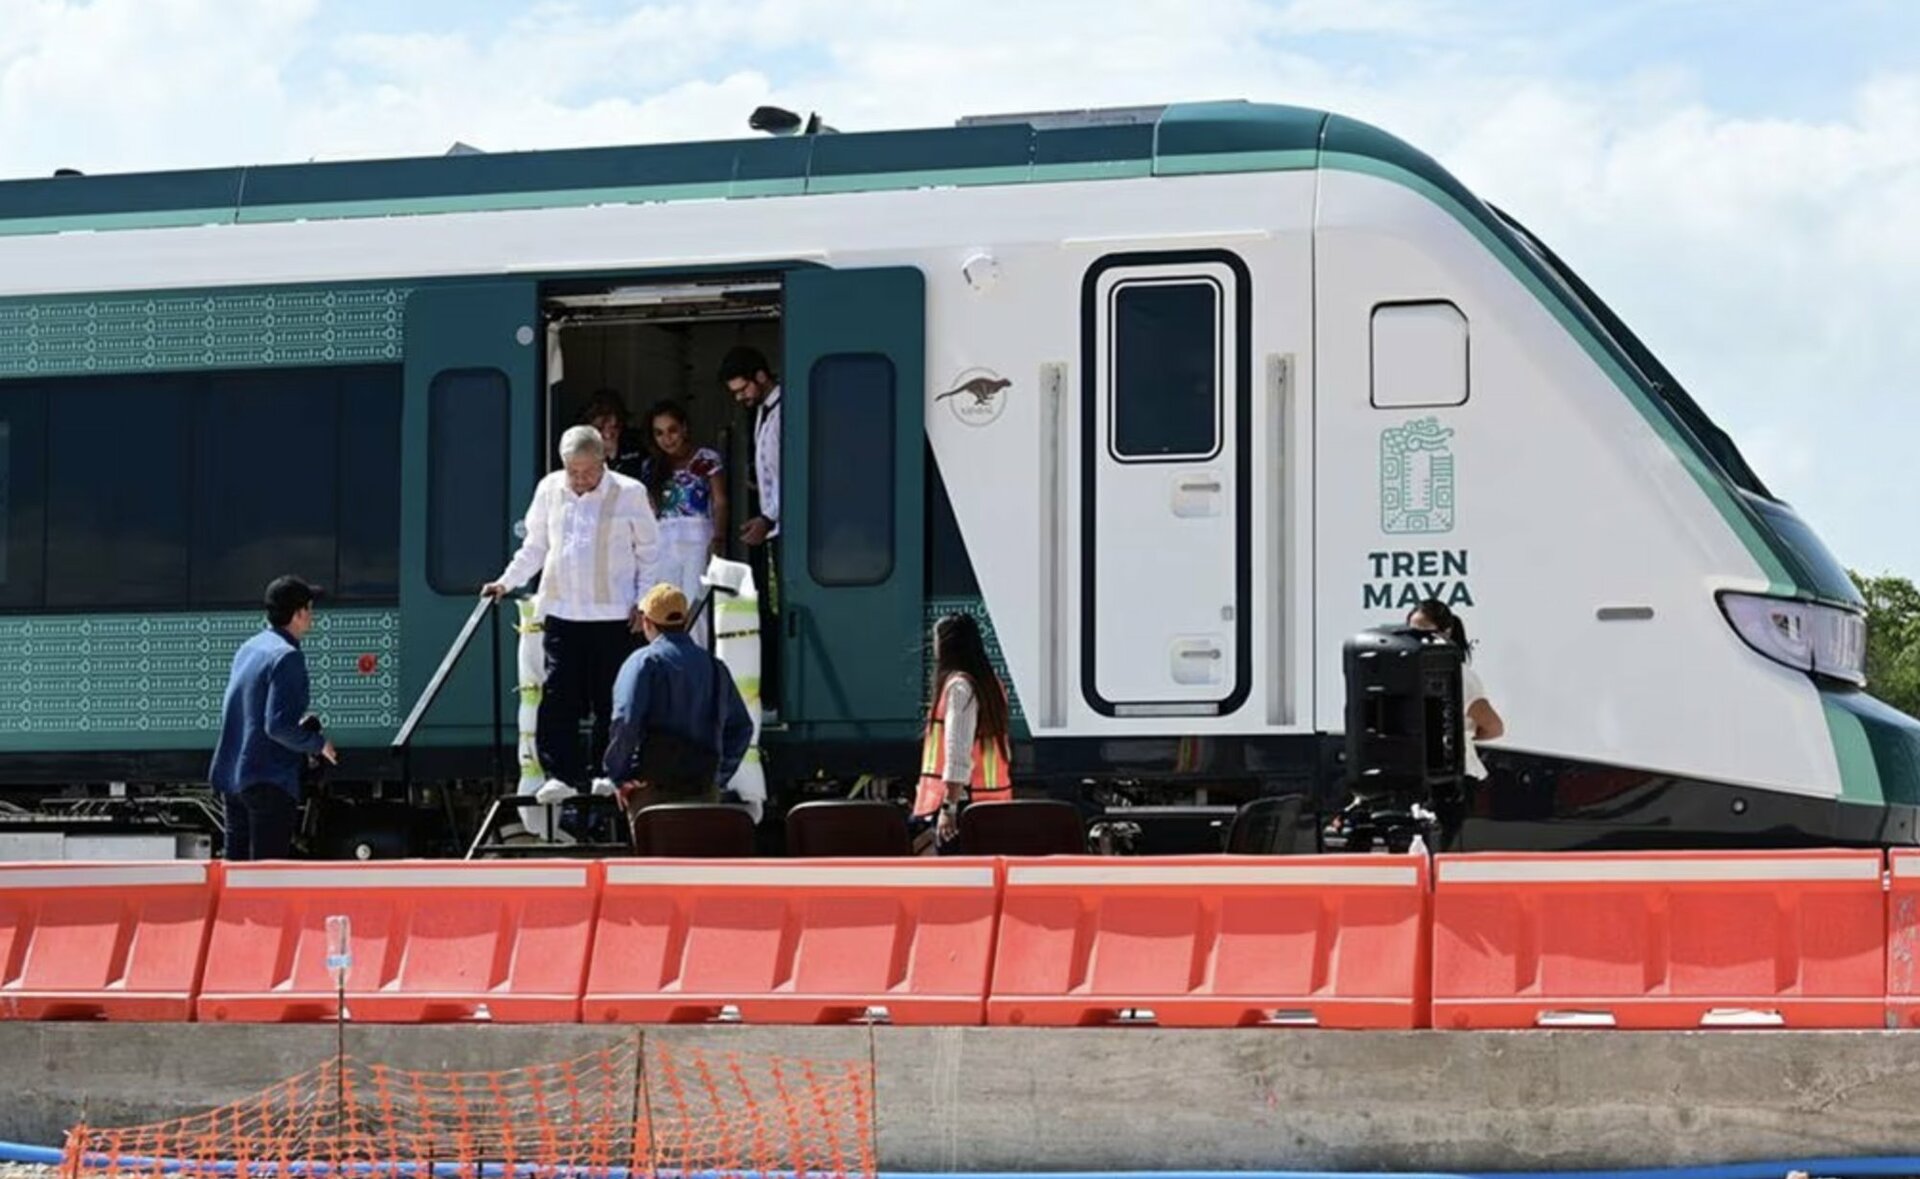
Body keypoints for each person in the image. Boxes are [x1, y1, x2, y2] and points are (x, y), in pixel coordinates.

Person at [484, 425, 660, 799]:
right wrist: (505, 582)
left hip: (615, 614)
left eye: (588, 471)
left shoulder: (630, 493)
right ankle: (560, 775)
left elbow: (651, 553)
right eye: (573, 471)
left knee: (611, 699)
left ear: (603, 461)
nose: (580, 479)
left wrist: (644, 602)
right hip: (563, 612)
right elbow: (535, 547)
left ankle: (607, 773)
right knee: (558, 694)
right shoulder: (550, 489)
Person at [604, 583, 754, 832]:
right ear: (684, 621)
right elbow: (741, 728)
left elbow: (626, 722)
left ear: (646, 621)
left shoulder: (642, 662)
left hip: (651, 791)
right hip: (704, 790)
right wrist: (718, 777)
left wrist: (619, 776)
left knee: (655, 867)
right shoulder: (715, 667)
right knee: (699, 867)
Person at [208, 576, 338, 861]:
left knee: (237, 872)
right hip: (268, 779)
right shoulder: (287, 657)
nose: (312, 615)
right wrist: (317, 743)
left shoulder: (249, 648)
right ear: (299, 613)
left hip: (233, 776)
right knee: (266, 874)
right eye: (310, 608)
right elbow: (277, 726)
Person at [911, 613, 1014, 853]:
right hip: (991, 803)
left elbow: (958, 753)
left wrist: (949, 807)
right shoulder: (991, 685)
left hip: (962, 805)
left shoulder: (960, 687)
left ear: (947, 645)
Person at [718, 345, 781, 713]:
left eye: (743, 389)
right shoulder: (761, 413)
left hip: (778, 526)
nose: (741, 398)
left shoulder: (784, 410)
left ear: (761, 376)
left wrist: (768, 518)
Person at [639, 400, 728, 642]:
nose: (667, 439)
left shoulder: (706, 458)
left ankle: (695, 667)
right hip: (663, 542)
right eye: (659, 433)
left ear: (685, 428)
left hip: (697, 540)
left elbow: (720, 501)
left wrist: (718, 538)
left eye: (672, 430)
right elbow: (649, 510)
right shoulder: (651, 466)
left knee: (694, 609)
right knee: (662, 605)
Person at [1408, 598, 1505, 779]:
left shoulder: (1461, 676)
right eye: (1412, 634)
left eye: (1427, 634)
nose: (1419, 641)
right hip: (1416, 772)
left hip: (1457, 775)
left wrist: (1461, 737)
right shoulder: (1403, 673)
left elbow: (1494, 727)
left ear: (1446, 633)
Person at [582, 388, 647, 481]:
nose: (608, 434)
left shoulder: (637, 443)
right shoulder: (583, 449)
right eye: (600, 428)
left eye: (615, 427)